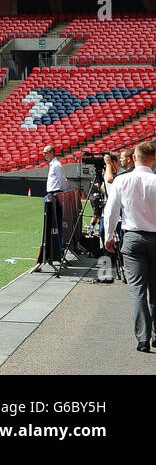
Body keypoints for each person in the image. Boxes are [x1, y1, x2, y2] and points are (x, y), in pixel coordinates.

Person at [102, 141, 156, 352]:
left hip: (133, 237)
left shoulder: (122, 180)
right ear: (154, 159)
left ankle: (142, 338)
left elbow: (111, 210)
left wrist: (108, 237)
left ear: (134, 158)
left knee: (137, 290)